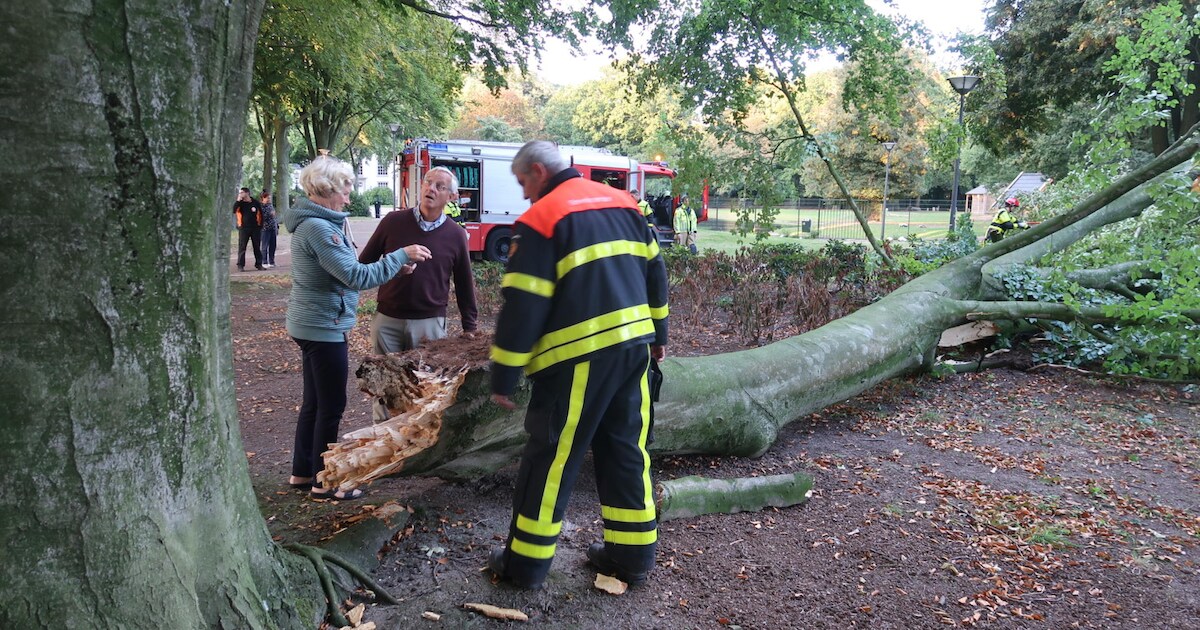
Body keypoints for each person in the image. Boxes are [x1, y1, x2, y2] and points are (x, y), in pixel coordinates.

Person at [486, 140, 669, 590]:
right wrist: (659, 338)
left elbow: (522, 307)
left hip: (578, 360)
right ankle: (632, 557)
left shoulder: (540, 220)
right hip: (634, 352)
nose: (524, 195)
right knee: (626, 450)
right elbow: (655, 272)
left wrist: (504, 375)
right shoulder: (622, 202)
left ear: (537, 172)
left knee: (551, 459)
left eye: (523, 183)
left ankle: (524, 565)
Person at [282, 155, 432, 501]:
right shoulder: (319, 228)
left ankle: (302, 473)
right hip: (323, 327)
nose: (349, 198)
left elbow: (348, 271)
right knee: (330, 405)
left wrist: (393, 268)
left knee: (314, 403)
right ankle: (326, 482)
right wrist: (400, 256)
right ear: (326, 189)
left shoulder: (318, 223)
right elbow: (355, 276)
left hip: (312, 324)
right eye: (345, 190)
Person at [358, 166, 479, 415]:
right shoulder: (393, 221)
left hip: (430, 324)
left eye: (439, 186)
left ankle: (416, 447)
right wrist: (392, 267)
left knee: (423, 387)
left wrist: (470, 326)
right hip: (388, 321)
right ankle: (383, 441)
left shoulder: (456, 235)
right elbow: (363, 264)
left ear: (451, 197)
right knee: (384, 388)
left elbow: (465, 282)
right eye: (427, 182)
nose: (430, 189)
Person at [233, 187, 264, 271]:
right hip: (244, 228)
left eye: (241, 192)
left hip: (255, 228)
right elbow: (234, 210)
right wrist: (238, 200)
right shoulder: (240, 203)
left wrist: (260, 225)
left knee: (257, 246)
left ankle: (259, 264)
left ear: (247, 193)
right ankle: (240, 265)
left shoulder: (255, 203)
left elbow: (261, 214)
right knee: (242, 247)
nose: (240, 194)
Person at [259, 190, 278, 269]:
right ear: (263, 198)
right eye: (267, 198)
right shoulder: (261, 206)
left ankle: (271, 261)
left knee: (273, 245)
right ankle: (264, 261)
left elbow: (274, 216)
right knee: (265, 246)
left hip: (272, 227)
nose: (269, 199)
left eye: (269, 198)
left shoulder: (270, 205)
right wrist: (270, 214)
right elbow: (262, 217)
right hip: (265, 228)